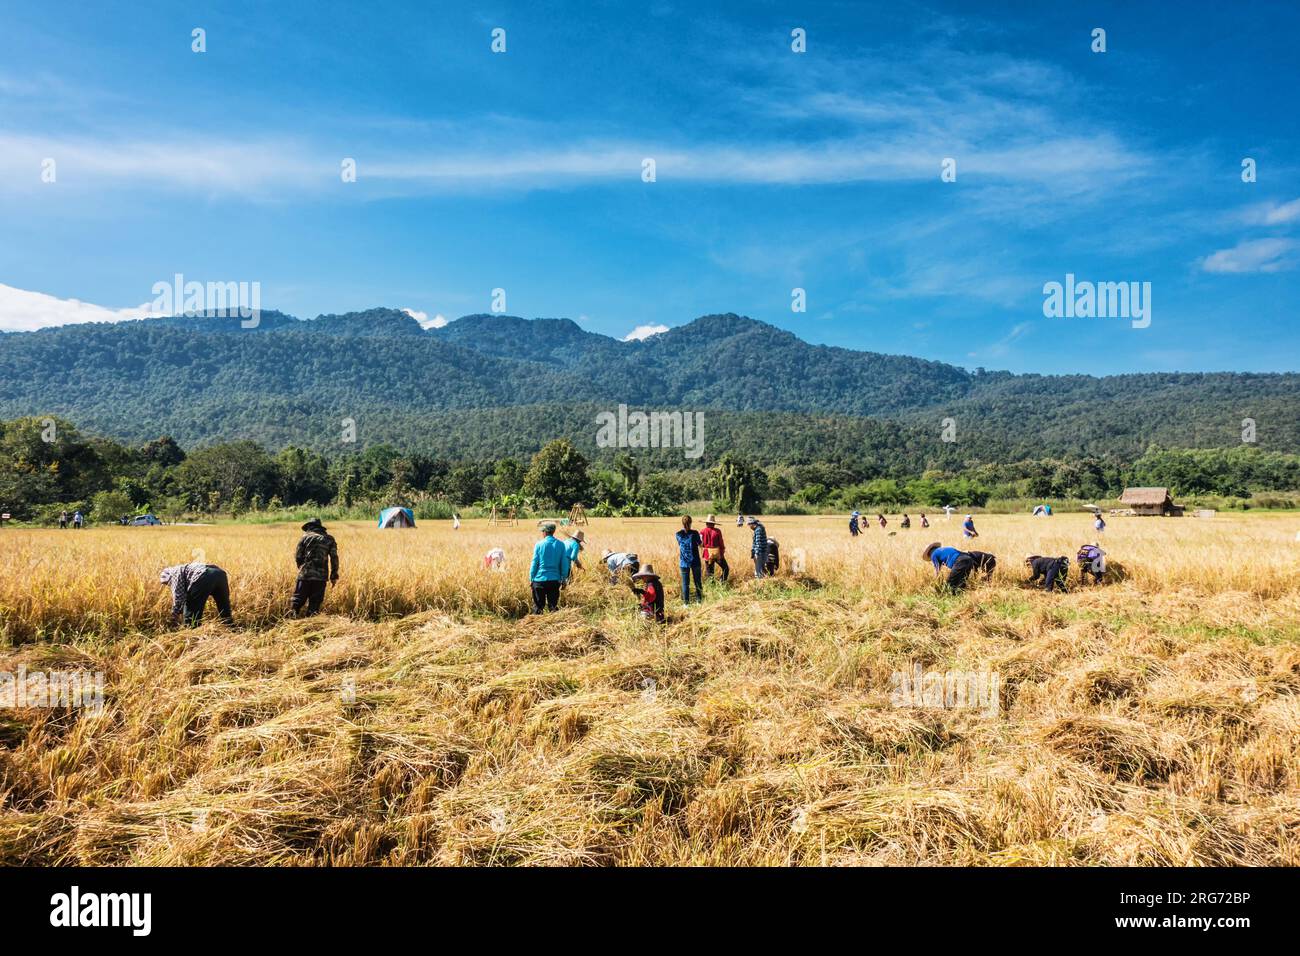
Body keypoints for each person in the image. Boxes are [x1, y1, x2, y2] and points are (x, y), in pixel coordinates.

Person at [160, 560, 233, 626]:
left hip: (204, 575)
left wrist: (174, 614)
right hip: (220, 574)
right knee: (223, 604)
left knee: (191, 606)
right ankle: (230, 627)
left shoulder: (174, 574)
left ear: (168, 578)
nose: (169, 585)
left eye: (167, 583)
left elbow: (178, 596)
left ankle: (191, 631)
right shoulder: (184, 568)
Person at [291, 518, 339, 616]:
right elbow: (334, 558)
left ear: (310, 527)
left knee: (297, 601)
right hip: (321, 577)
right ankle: (311, 625)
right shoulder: (329, 539)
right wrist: (334, 575)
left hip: (305, 575)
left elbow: (298, 556)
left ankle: (291, 620)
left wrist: (302, 569)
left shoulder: (304, 538)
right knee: (315, 603)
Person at [529, 522, 570, 613]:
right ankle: (555, 625)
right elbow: (564, 564)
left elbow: (534, 563)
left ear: (544, 532)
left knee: (538, 608)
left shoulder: (539, 544)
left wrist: (531, 578)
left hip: (539, 580)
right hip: (554, 581)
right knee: (553, 606)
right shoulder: (561, 545)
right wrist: (564, 579)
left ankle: (536, 625)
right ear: (553, 532)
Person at [675, 515, 704, 603]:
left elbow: (680, 544)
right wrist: (701, 538)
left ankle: (686, 603)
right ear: (691, 522)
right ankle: (699, 600)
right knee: (697, 581)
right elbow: (700, 545)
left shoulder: (678, 534)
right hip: (695, 560)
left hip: (684, 562)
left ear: (682, 523)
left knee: (685, 583)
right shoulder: (695, 533)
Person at [700, 513, 729, 582]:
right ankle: (722, 581)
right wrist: (722, 553)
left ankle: (711, 586)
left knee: (709, 572)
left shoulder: (702, 531)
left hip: (707, 553)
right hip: (717, 553)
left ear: (706, 523)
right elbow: (721, 543)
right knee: (725, 568)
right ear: (714, 523)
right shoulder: (717, 531)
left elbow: (701, 544)